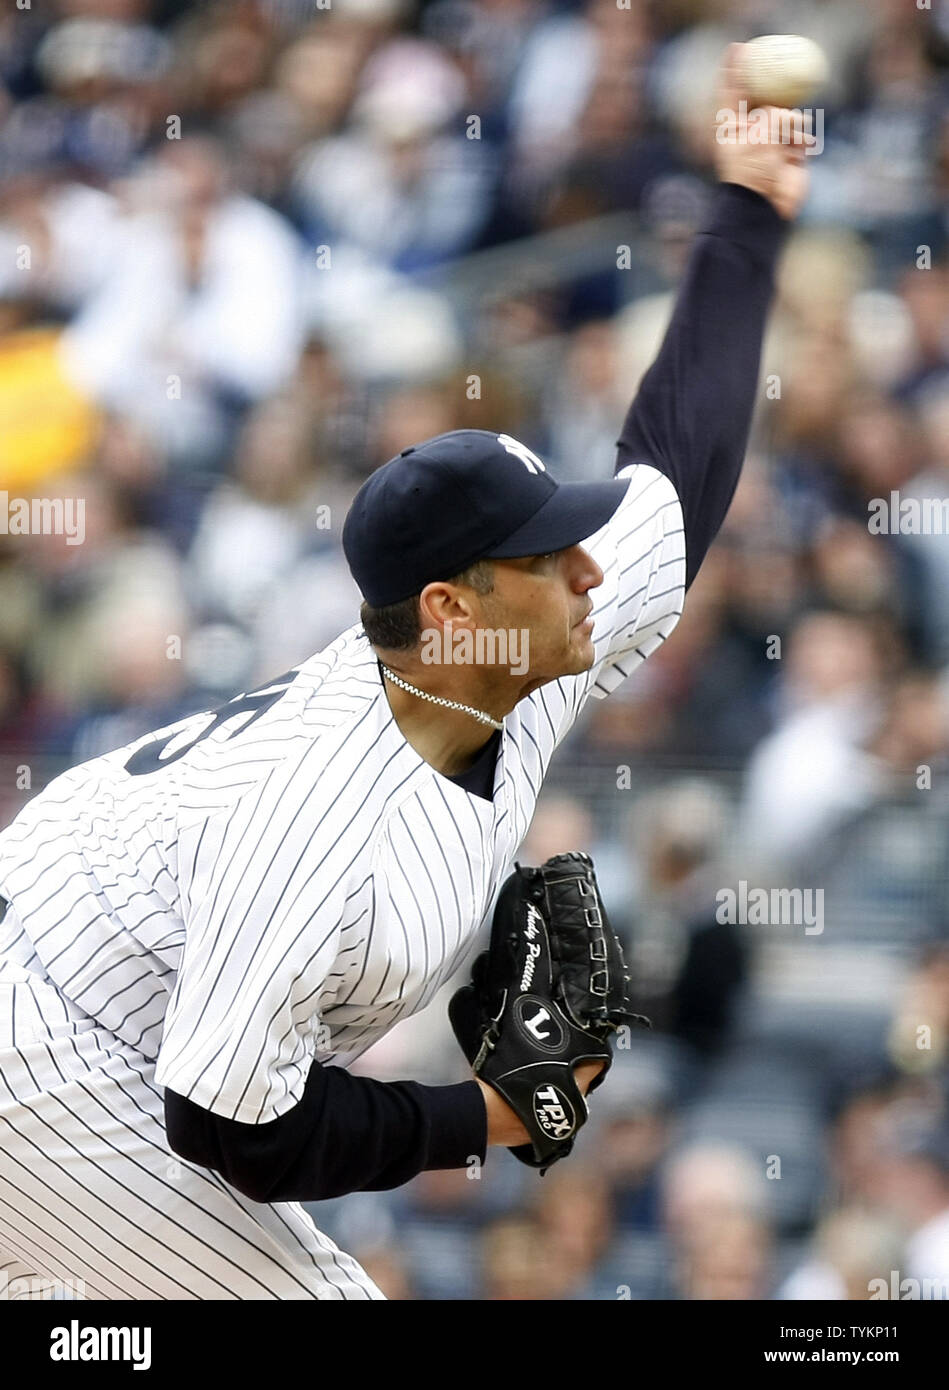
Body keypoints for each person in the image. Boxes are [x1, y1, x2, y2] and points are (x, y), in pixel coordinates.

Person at [0, 48, 811, 1300]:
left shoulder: (512, 644)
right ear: (453, 604)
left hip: (113, 1001)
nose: (591, 571)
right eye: (551, 555)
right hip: (52, 1040)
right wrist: (489, 1113)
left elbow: (678, 472)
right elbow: (231, 1133)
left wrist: (747, 211)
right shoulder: (317, 816)